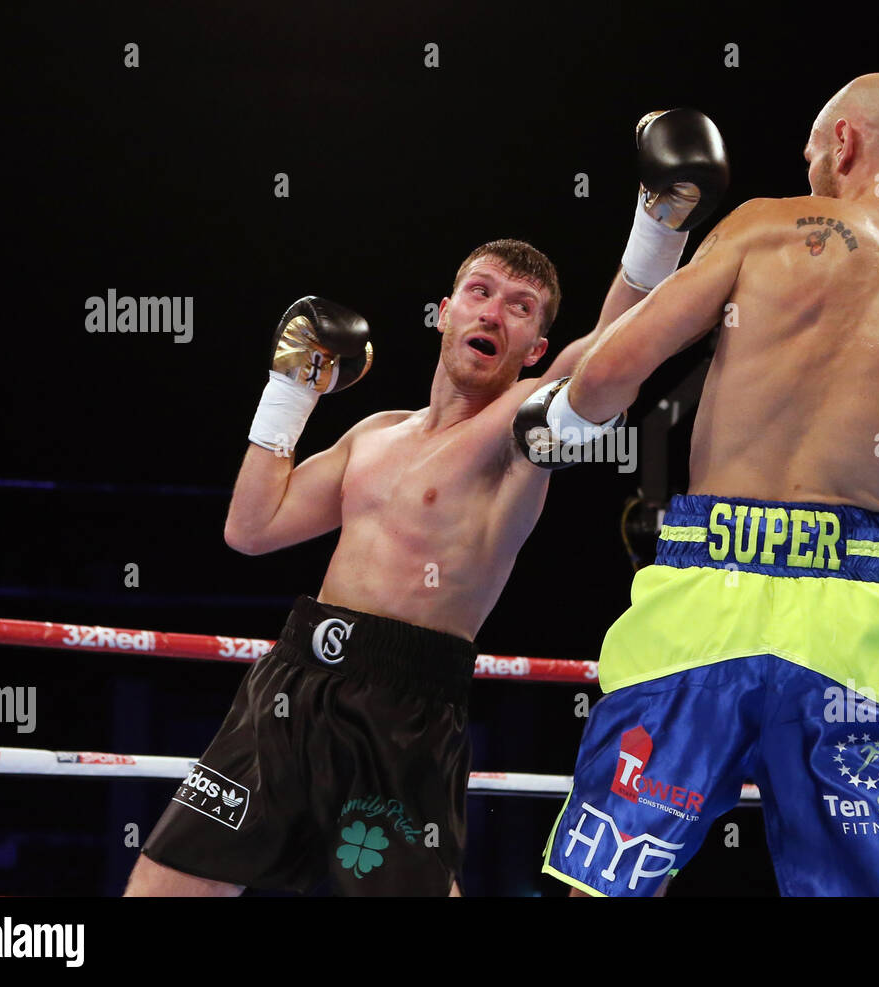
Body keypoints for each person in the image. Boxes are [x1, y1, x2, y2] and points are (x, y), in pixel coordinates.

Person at [123, 110, 729, 897]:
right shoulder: (374, 433)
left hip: (404, 710)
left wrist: (661, 222)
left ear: (535, 349)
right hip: (290, 681)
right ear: (445, 310)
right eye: (479, 292)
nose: (492, 311)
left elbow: (612, 356)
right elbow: (251, 526)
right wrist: (290, 389)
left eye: (519, 307)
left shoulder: (515, 433)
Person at [521, 74, 879, 896]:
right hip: (855, 624)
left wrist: (557, 426)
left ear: (843, 142)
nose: (811, 165)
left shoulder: (768, 227)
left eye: (814, 151)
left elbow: (609, 374)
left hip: (707, 593)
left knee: (609, 880)